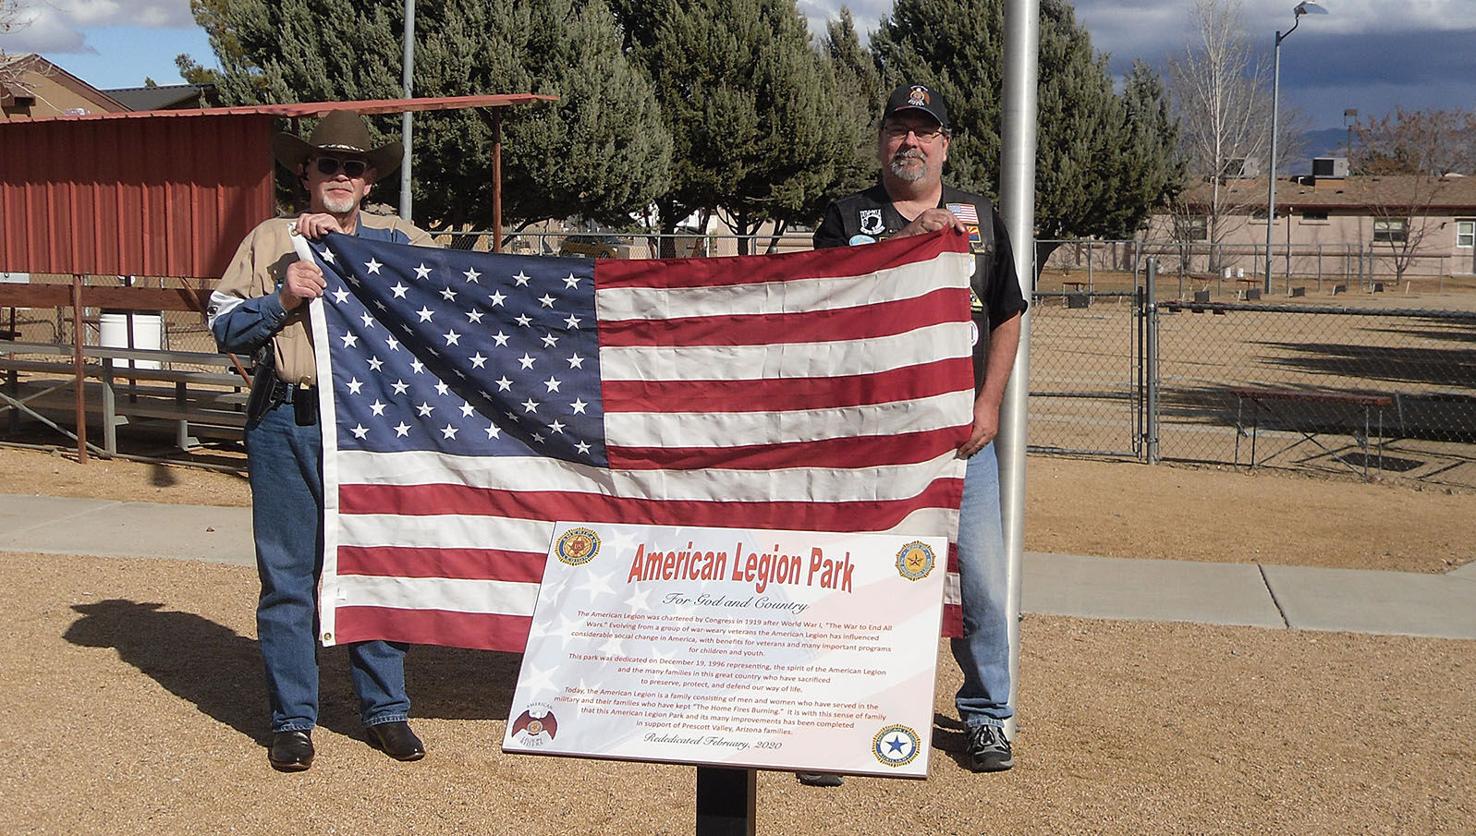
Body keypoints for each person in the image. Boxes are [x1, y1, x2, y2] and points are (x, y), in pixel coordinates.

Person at [804, 83, 1028, 784]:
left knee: (982, 583)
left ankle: (987, 713)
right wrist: (909, 240)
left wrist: (990, 405)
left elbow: (1008, 313)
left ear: (945, 145)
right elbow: (826, 306)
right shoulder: (845, 217)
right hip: (872, 440)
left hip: (961, 440)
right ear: (881, 142)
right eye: (898, 130)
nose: (910, 142)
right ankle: (846, 716)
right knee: (861, 581)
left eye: (924, 132)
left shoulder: (983, 218)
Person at [208, 110, 436, 772]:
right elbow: (223, 327)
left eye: (353, 166)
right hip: (287, 421)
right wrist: (281, 297)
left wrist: (349, 250)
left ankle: (386, 709)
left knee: (376, 566)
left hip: (372, 427)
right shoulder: (270, 237)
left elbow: (447, 298)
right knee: (288, 576)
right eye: (327, 164)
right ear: (304, 171)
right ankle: (293, 719)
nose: (340, 175)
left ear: (369, 182)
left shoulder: (399, 238)